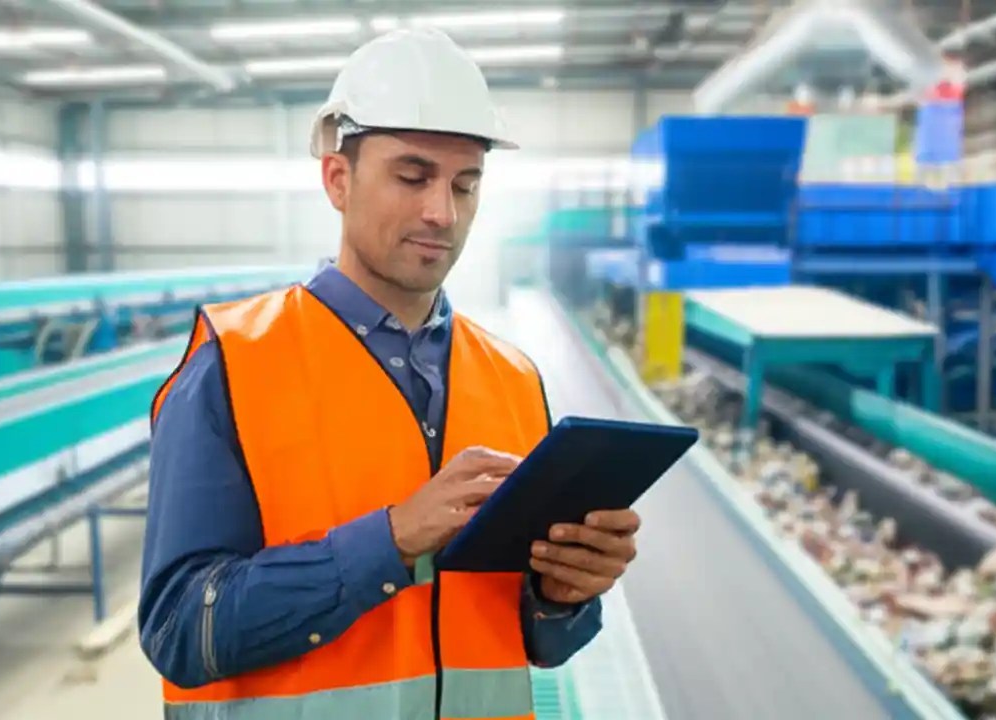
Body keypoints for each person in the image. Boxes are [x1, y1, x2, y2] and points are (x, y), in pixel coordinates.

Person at [139, 28, 642, 720]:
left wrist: (566, 593)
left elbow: (532, 640)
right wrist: (393, 539)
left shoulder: (513, 377)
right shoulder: (233, 362)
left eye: (466, 184)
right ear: (337, 181)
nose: (444, 212)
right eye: (413, 177)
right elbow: (178, 630)